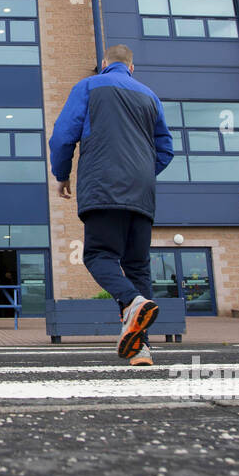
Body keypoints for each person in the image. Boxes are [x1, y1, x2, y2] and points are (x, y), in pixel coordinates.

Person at [49, 44, 173, 367]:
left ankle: (132, 302)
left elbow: (63, 135)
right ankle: (140, 348)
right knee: (137, 265)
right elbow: (166, 149)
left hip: (103, 187)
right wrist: (141, 175)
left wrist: (62, 175)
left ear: (104, 64)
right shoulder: (150, 96)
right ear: (132, 67)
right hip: (142, 194)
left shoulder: (88, 86)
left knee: (98, 255)